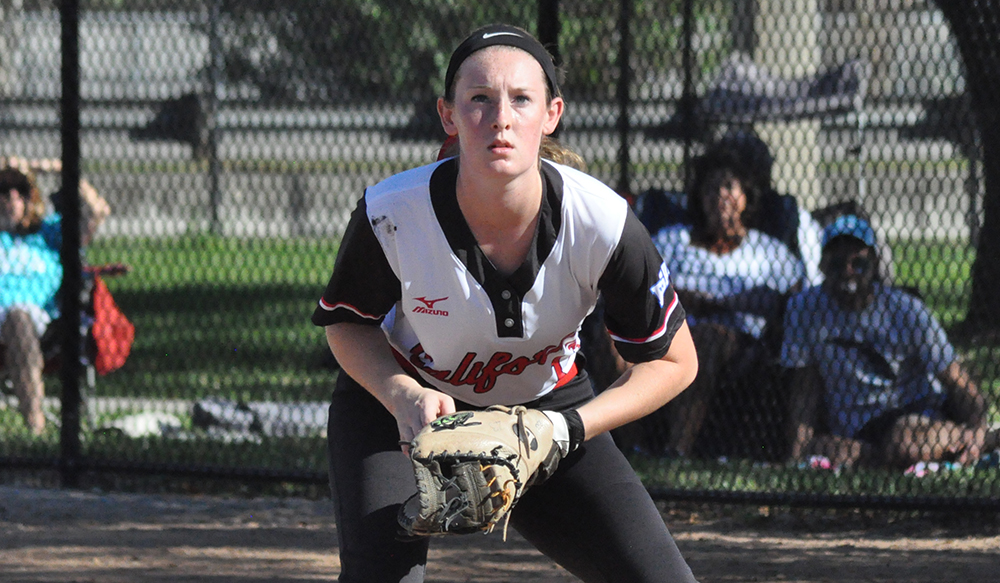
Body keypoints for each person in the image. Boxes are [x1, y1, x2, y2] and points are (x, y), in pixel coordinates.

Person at [311, 24, 700, 583]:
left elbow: (675, 361)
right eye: (479, 99)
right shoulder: (393, 212)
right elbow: (348, 326)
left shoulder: (601, 223)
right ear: (447, 115)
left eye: (522, 99)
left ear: (552, 114)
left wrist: (562, 430)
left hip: (548, 413)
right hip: (401, 410)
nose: (501, 117)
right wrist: (401, 394)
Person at [779, 215, 995, 469]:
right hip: (857, 432)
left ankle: (991, 438)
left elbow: (957, 380)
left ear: (874, 263)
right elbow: (805, 387)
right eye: (837, 264)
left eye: (857, 263)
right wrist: (796, 456)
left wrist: (978, 432)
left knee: (902, 443)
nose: (847, 272)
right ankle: (888, 460)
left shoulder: (905, 309)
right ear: (823, 266)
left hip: (913, 417)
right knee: (819, 449)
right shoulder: (804, 308)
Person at [637, 142, 806, 458]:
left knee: (707, 338)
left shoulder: (768, 251)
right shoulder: (672, 240)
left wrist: (726, 303)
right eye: (710, 188)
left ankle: (677, 449)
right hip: (665, 332)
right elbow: (643, 285)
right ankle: (629, 447)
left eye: (729, 186)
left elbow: (793, 301)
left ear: (746, 197)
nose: (719, 196)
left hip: (737, 342)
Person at [0, 156, 110, 435]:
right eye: (3, 190)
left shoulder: (49, 233)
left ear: (30, 198)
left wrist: (59, 168)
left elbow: (98, 211)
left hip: (40, 323)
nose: (11, 198)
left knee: (17, 317)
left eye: (20, 191)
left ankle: (35, 425)